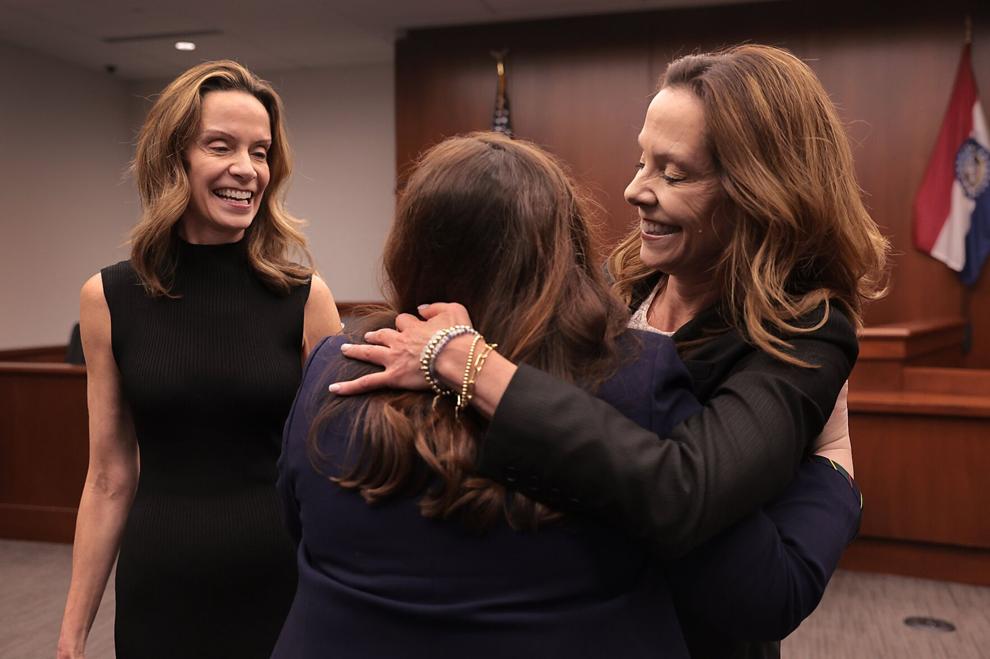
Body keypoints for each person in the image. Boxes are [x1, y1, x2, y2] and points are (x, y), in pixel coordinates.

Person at [331, 45, 889, 656]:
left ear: (763, 192)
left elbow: (690, 493)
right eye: (642, 161)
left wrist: (472, 365)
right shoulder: (616, 283)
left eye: (673, 174)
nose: (633, 190)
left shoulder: (806, 327)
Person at [57, 60, 341, 659]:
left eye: (260, 152)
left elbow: (337, 468)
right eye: (221, 146)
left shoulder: (305, 298)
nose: (247, 168)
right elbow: (108, 478)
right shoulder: (108, 297)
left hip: (281, 587)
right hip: (159, 588)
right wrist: (71, 635)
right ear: (174, 159)